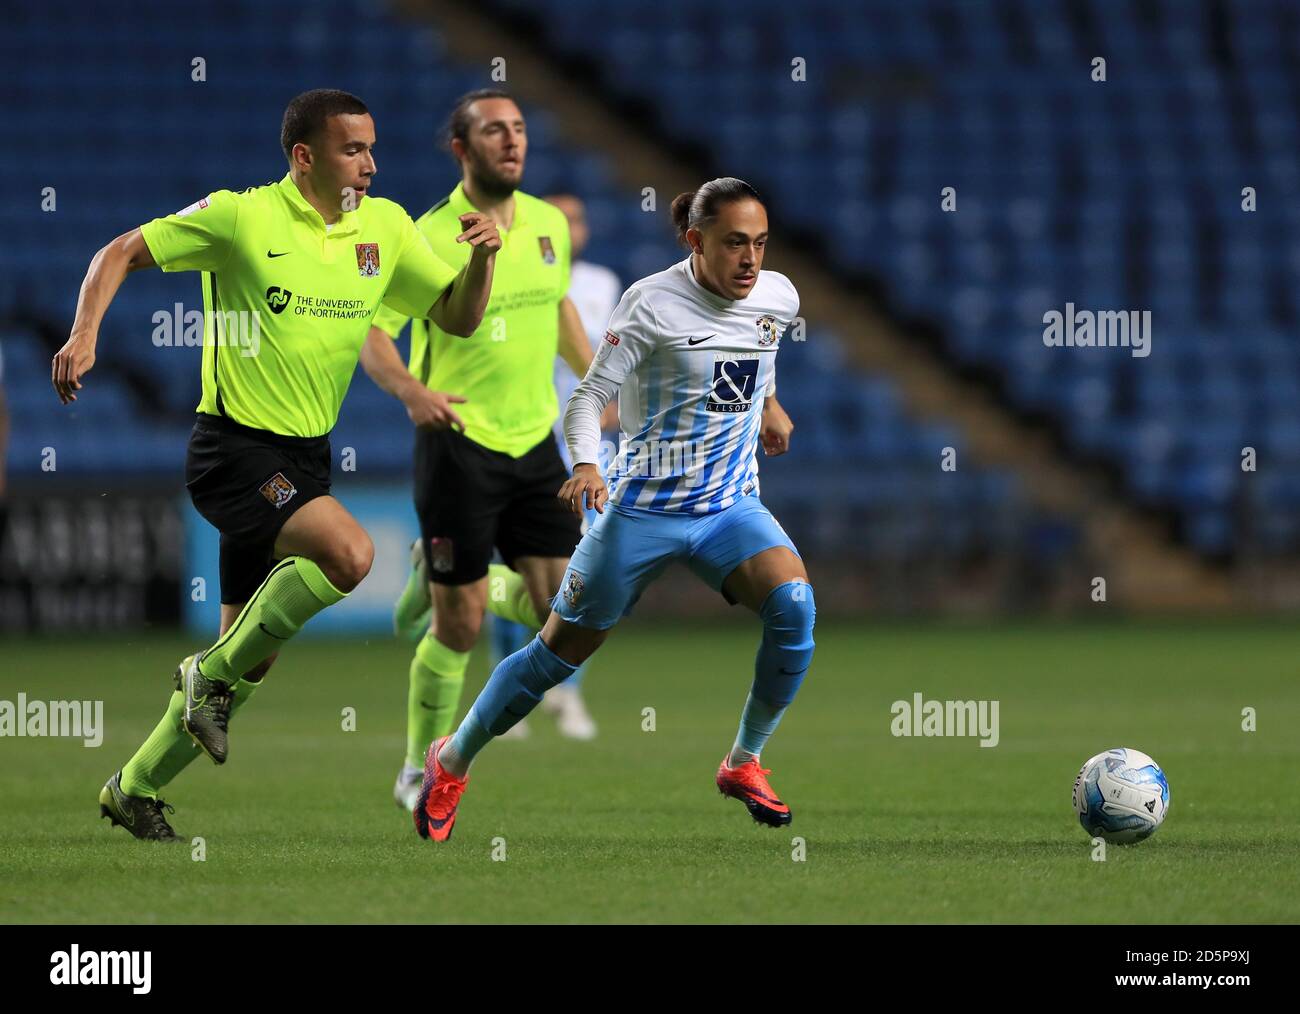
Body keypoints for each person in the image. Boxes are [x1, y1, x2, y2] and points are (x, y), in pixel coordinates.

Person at [52, 88, 499, 840]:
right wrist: (84, 333)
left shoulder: (384, 229)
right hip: (232, 449)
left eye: (372, 148)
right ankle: (206, 675)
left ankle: (132, 788)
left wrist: (482, 260)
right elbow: (119, 251)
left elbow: (454, 314)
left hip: (304, 457)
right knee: (349, 554)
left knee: (248, 669)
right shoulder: (240, 216)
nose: (370, 163)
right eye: (354, 150)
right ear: (305, 157)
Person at [411, 177, 814, 843]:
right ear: (695, 241)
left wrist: (767, 403)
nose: (751, 260)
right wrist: (589, 464)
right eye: (735, 244)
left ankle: (743, 761)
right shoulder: (651, 303)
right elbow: (586, 395)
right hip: (642, 509)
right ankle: (450, 761)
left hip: (728, 505)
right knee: (556, 655)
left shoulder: (777, 295)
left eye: (761, 244)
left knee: (795, 607)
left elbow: (759, 353)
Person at [359, 90, 597, 811]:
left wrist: (597, 382)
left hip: (536, 445)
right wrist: (409, 392)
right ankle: (413, 768)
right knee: (459, 627)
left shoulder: (550, 222)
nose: (512, 141)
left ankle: (434, 577)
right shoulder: (429, 234)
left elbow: (555, 304)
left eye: (519, 128)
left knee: (568, 615)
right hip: (458, 443)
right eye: (494, 130)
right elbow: (372, 332)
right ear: (461, 149)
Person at [486, 193, 622, 742]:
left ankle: (567, 692)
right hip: (522, 436)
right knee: (518, 565)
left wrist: (616, 402)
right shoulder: (514, 272)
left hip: (584, 447)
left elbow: (617, 354)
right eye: (561, 218)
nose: (571, 226)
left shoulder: (603, 284)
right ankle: (507, 689)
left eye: (579, 217)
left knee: (583, 570)